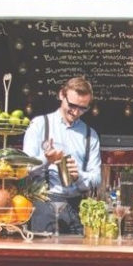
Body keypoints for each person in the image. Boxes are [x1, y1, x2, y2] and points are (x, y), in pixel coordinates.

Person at [23, 77, 101, 234]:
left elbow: (97, 179)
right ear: (61, 95)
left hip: (77, 207)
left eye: (82, 108)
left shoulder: (90, 135)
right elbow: (25, 168)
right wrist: (46, 160)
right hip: (45, 204)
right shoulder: (39, 124)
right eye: (72, 105)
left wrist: (78, 176)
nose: (76, 112)